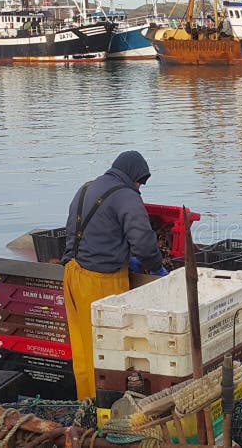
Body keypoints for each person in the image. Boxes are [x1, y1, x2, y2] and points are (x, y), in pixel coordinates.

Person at [61, 150, 167, 400]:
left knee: (83, 351)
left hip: (72, 274)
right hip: (100, 283)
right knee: (106, 353)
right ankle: (106, 409)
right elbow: (143, 242)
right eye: (140, 181)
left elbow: (81, 231)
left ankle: (86, 404)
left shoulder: (86, 188)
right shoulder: (127, 196)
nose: (139, 187)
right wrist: (155, 267)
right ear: (132, 176)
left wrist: (122, 254)